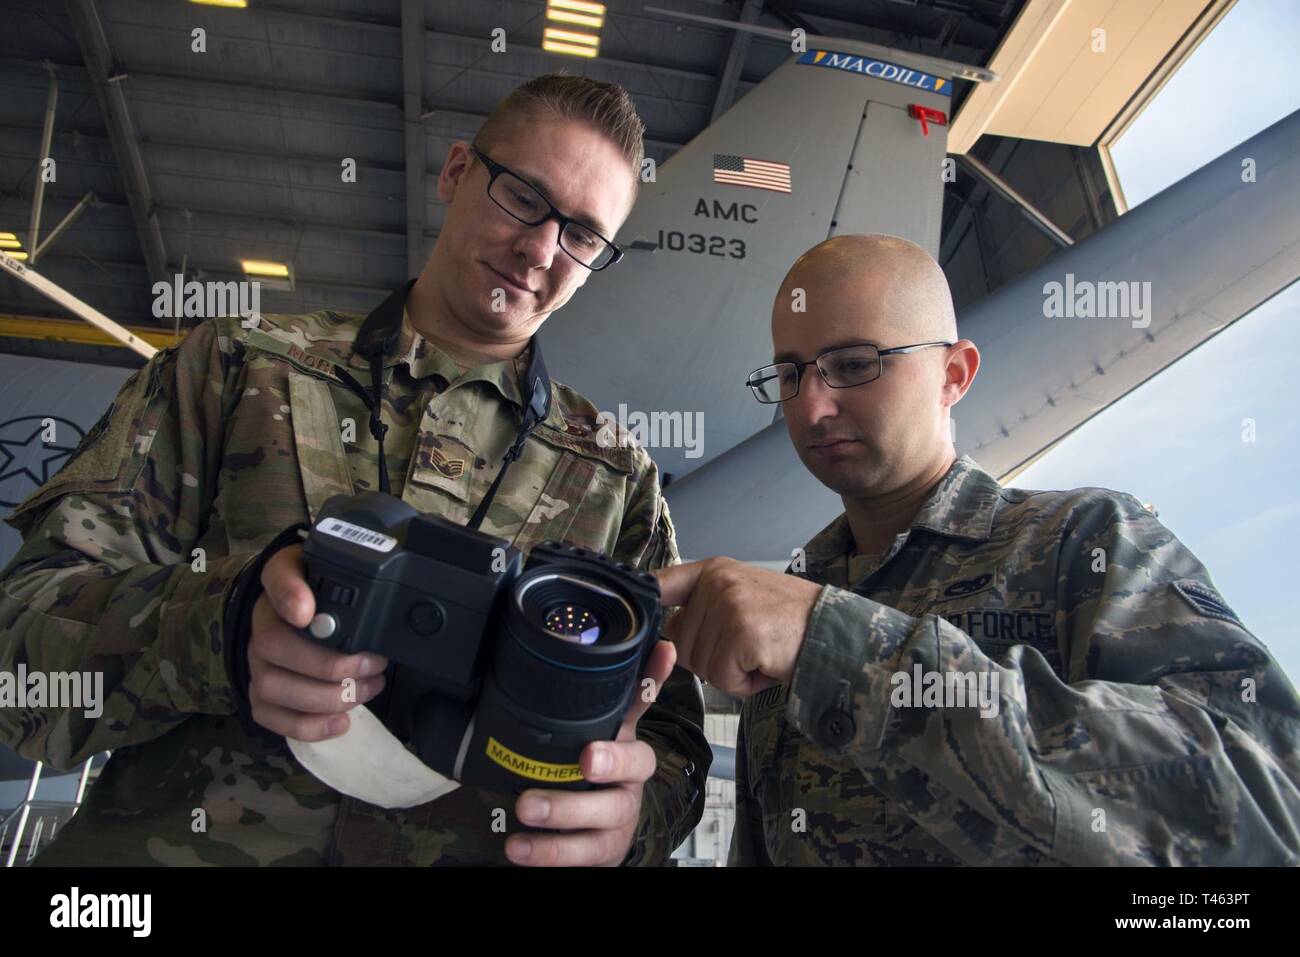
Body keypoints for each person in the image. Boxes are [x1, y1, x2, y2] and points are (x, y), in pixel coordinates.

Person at [0, 74, 710, 866]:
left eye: (583, 235)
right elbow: (17, 657)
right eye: (523, 197)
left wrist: (634, 819)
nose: (541, 248)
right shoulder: (238, 367)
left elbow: (670, 735)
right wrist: (220, 632)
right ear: (453, 173)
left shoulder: (618, 484)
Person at [656, 233, 1300, 865]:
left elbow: (1266, 806)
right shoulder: (800, 593)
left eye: (854, 365)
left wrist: (841, 647)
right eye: (790, 373)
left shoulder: (1088, 541)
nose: (811, 406)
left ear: (953, 374)